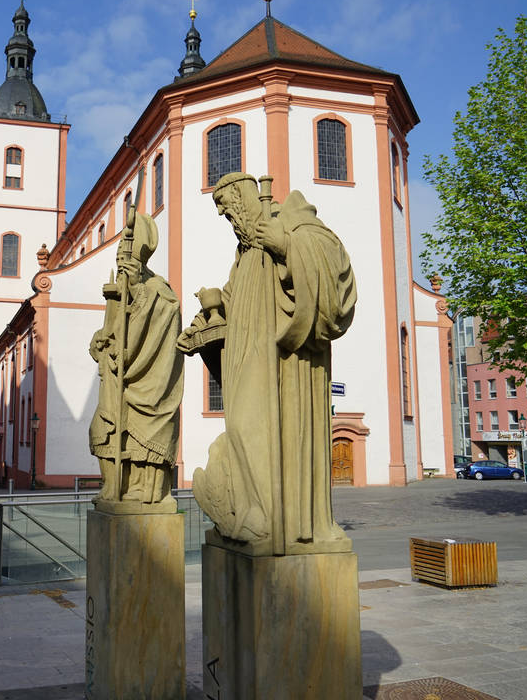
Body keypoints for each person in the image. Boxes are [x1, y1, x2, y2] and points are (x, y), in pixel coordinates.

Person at [179, 172, 356, 553]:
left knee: (253, 429)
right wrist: (205, 320)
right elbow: (234, 300)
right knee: (241, 430)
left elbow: (334, 266)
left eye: (226, 207)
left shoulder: (292, 220)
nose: (225, 217)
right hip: (246, 358)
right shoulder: (244, 253)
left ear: (242, 197)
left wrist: (286, 246)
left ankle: (271, 519)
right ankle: (254, 513)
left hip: (282, 364)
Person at [88, 208, 183, 505]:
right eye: (118, 258)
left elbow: (161, 321)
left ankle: (144, 490)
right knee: (101, 431)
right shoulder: (122, 291)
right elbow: (113, 333)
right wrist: (100, 341)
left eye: (125, 258)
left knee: (145, 437)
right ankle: (113, 487)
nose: (120, 263)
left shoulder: (158, 290)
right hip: (116, 381)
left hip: (148, 383)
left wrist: (138, 292)